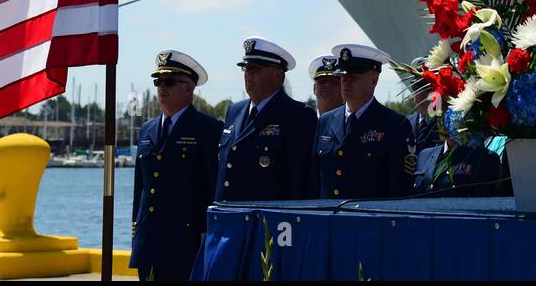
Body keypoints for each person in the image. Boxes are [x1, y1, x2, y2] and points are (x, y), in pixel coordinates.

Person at [130, 50, 223, 281]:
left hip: (186, 242)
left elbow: (214, 187)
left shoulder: (208, 129)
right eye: (158, 81)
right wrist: (136, 231)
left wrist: (209, 236)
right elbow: (140, 188)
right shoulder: (147, 130)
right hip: (149, 242)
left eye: (170, 81)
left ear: (189, 88)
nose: (162, 87)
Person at [214, 37, 318, 203]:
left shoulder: (298, 116)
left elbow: (300, 183)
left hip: (269, 223)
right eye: (246, 69)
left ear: (278, 75)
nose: (249, 74)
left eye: (255, 69)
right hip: (228, 219)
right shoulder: (234, 111)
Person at [314, 44, 416, 199]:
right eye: (343, 75)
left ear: (373, 80)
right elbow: (313, 181)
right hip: (327, 218)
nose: (346, 81)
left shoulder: (394, 125)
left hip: (371, 220)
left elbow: (399, 189)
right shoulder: (325, 121)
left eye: (353, 76)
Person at [412, 109, 501, 198]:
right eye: (440, 116)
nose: (441, 121)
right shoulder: (424, 155)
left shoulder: (484, 158)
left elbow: (484, 203)